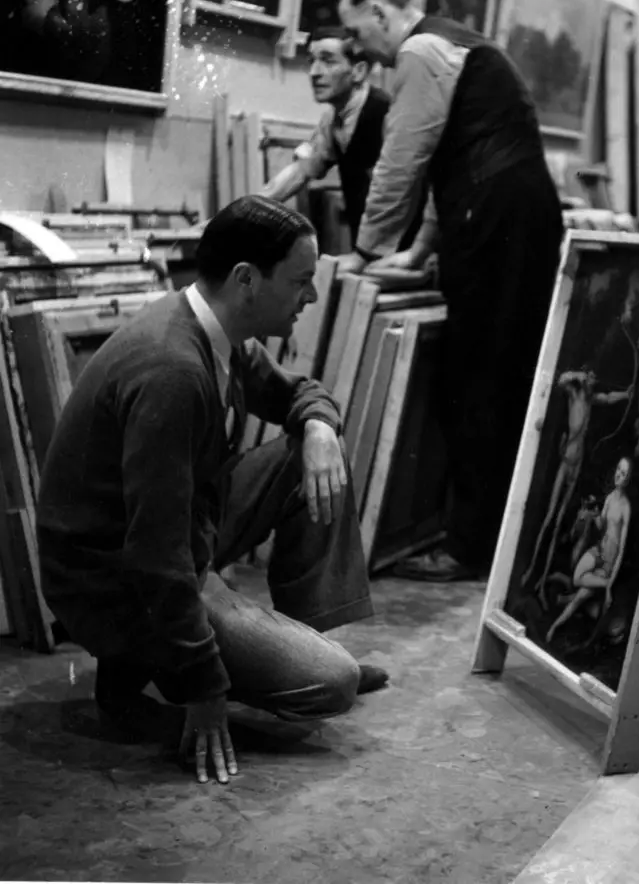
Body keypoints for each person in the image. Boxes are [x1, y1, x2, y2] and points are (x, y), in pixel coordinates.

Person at [36, 196, 388, 786]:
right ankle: (155, 662)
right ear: (247, 280)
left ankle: (287, 644)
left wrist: (321, 426)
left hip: (179, 533)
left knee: (308, 455)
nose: (312, 297)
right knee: (334, 685)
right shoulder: (172, 370)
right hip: (115, 580)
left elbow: (298, 393)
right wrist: (203, 687)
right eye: (301, 281)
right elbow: (156, 550)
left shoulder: (224, 336)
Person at [334, 0, 565, 582]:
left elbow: (403, 158)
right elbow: (448, 158)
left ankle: (468, 547)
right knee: (501, 372)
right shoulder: (456, 43)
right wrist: (420, 250)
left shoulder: (417, 51)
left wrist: (364, 250)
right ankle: (497, 538)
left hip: (496, 219)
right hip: (516, 211)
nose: (361, 51)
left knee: (478, 377)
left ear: (382, 14)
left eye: (359, 34)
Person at [259, 29, 425, 250]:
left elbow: (407, 189)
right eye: (311, 61)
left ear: (358, 71)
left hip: (404, 246)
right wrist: (242, 212)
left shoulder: (388, 115)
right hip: (368, 243)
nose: (314, 72)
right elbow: (301, 170)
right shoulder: (332, 119)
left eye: (328, 61)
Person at [519, 369, 633, 597]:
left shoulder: (591, 399)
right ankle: (531, 569)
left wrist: (626, 394)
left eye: (594, 379)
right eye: (592, 378)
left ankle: (542, 583)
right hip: (565, 463)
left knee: (560, 521)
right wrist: (579, 376)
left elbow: (609, 397)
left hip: (577, 464)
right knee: (549, 518)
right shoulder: (575, 394)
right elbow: (561, 379)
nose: (594, 382)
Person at [545, 456, 633, 644]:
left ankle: (554, 628)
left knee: (579, 599)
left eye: (624, 473)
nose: (619, 475)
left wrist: (611, 582)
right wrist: (592, 515)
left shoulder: (626, 508)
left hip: (608, 561)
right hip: (599, 550)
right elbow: (601, 525)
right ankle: (602, 586)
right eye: (619, 469)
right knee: (577, 577)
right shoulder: (610, 497)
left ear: (628, 479)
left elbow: (622, 549)